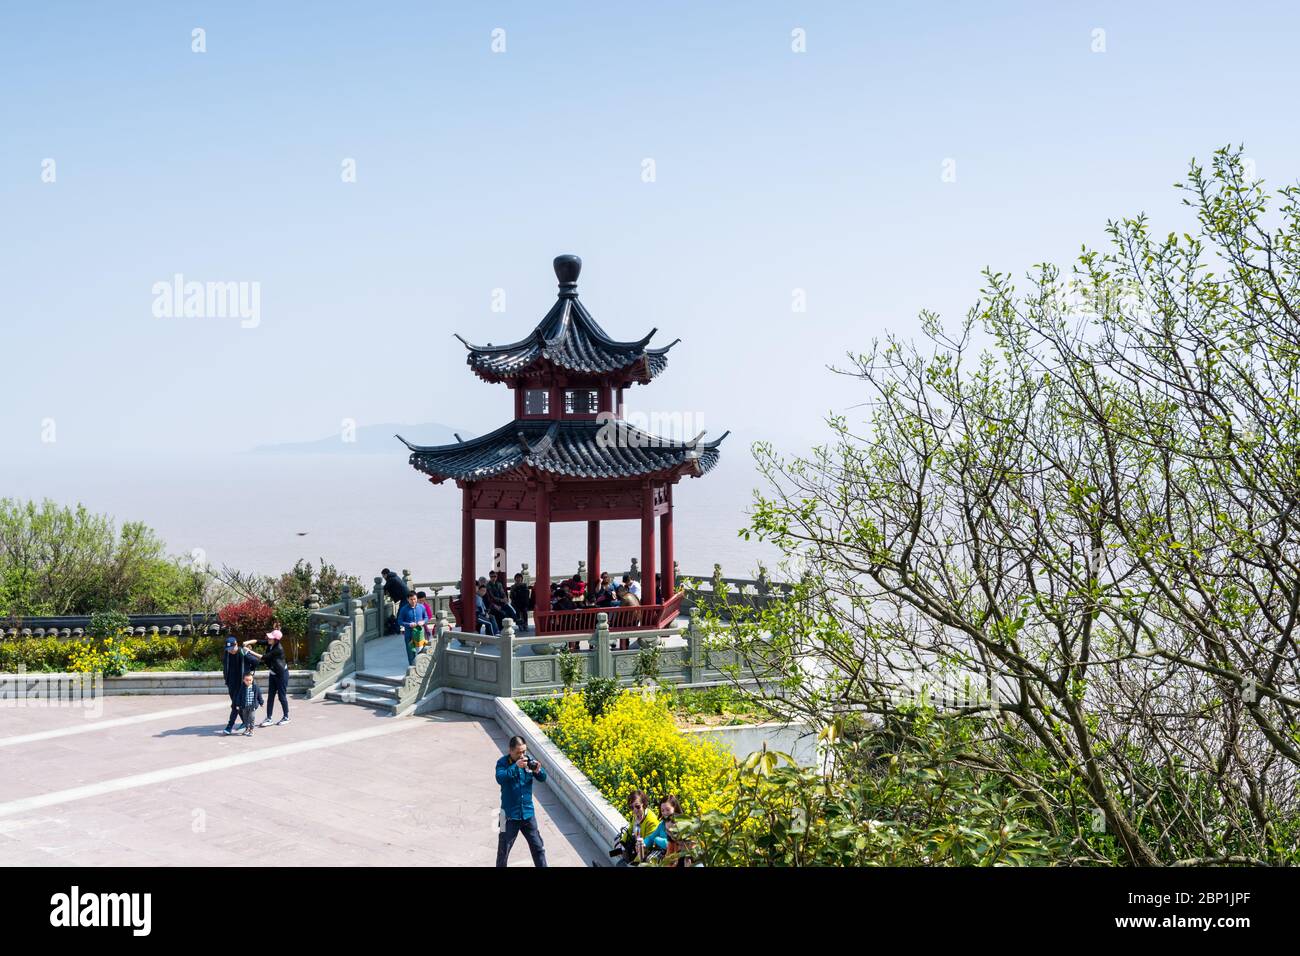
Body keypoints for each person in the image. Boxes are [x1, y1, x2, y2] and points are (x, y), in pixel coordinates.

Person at [495, 735, 548, 867]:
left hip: (528, 814)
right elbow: (500, 778)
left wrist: (538, 770)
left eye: (524, 751)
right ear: (510, 751)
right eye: (518, 752)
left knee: (539, 848)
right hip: (506, 815)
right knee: (503, 852)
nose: (522, 755)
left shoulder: (528, 761)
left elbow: (543, 778)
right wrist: (515, 767)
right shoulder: (501, 763)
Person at [252, 625, 290, 726]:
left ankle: (286, 717)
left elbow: (264, 657)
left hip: (281, 674)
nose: (268, 639)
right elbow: (259, 641)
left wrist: (250, 651)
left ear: (276, 640)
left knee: (282, 697)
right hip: (273, 673)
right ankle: (269, 718)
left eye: (271, 638)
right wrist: (248, 642)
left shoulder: (278, 649)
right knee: (271, 696)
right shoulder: (270, 644)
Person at [220, 637, 260, 735]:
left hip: (243, 685)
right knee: (239, 705)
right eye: (228, 649)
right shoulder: (227, 654)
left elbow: (256, 662)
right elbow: (225, 666)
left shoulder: (243, 652)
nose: (230, 651)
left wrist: (248, 653)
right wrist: (226, 679)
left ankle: (229, 727)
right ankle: (245, 723)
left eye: (231, 649)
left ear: (236, 644)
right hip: (231, 684)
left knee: (235, 705)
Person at [610, 790, 660, 866]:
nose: (634, 810)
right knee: (614, 854)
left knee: (621, 865)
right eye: (631, 807)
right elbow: (630, 829)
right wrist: (622, 842)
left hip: (646, 852)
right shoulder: (637, 815)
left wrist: (635, 862)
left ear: (644, 804)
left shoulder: (651, 821)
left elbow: (648, 845)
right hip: (636, 847)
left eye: (637, 806)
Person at [641, 795, 681, 861]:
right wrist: (644, 843)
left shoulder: (679, 824)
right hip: (661, 852)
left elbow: (671, 844)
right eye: (662, 810)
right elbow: (651, 837)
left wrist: (657, 839)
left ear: (675, 808)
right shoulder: (662, 824)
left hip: (673, 855)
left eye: (668, 810)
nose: (665, 813)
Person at [396, 591, 430, 665]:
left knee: (421, 651)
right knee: (410, 652)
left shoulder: (421, 607)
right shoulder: (404, 609)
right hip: (409, 634)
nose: (413, 601)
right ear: (408, 599)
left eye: (415, 599)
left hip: (420, 634)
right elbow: (399, 621)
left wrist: (423, 622)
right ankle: (412, 668)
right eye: (411, 599)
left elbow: (426, 617)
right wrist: (408, 624)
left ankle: (421, 666)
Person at [237, 671, 264, 737]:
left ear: (252, 680)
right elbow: (239, 696)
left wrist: (261, 702)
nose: (248, 681)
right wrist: (237, 704)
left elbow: (259, 695)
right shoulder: (242, 688)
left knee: (252, 717)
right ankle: (247, 728)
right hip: (244, 706)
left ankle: (251, 729)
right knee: (245, 718)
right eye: (247, 680)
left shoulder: (255, 687)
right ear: (243, 680)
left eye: (250, 680)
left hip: (252, 706)